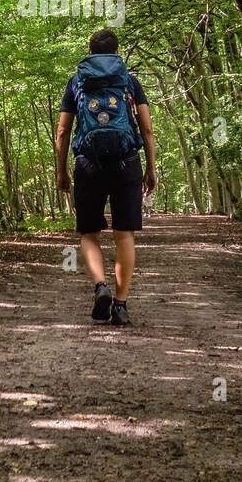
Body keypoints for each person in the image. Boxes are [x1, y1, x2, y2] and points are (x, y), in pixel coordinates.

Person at [54, 29, 157, 327]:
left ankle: (101, 286)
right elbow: (147, 129)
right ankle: (121, 305)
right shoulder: (129, 81)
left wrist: (61, 171)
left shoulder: (77, 82)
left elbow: (62, 132)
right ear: (116, 52)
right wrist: (151, 168)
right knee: (124, 234)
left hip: (88, 164)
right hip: (126, 162)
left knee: (89, 233)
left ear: (90, 51)